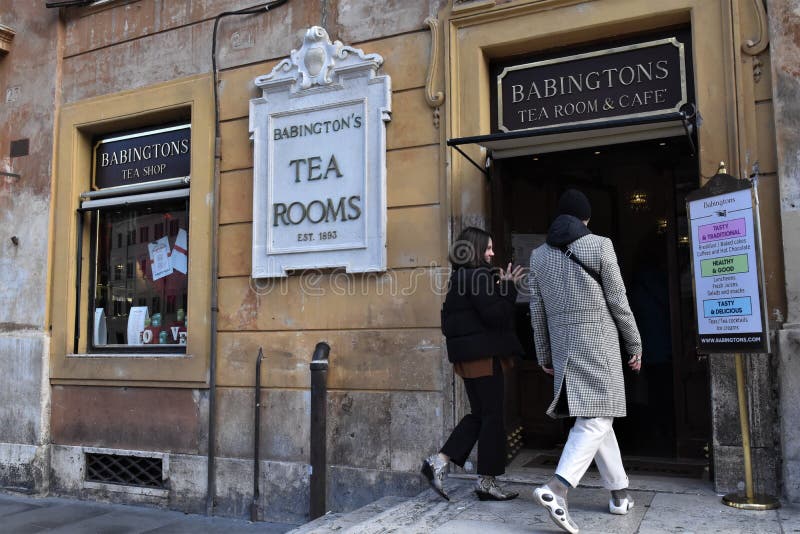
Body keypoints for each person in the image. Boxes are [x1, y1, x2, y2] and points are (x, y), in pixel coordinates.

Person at [527, 189, 643, 534]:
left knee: (596, 417)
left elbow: (537, 312)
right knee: (596, 418)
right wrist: (634, 342)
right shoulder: (600, 245)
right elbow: (618, 300)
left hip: (564, 346)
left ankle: (620, 495)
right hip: (599, 344)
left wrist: (544, 353)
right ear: (586, 218)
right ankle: (556, 489)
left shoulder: (537, 256)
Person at [421, 226, 525, 502]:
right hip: (483, 358)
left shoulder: (461, 277)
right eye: (488, 248)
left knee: (481, 414)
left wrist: (500, 287)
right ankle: (486, 482)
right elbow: (498, 317)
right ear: (477, 249)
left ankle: (439, 462)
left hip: (471, 358)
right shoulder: (477, 277)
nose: (492, 253)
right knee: (491, 417)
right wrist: (511, 288)